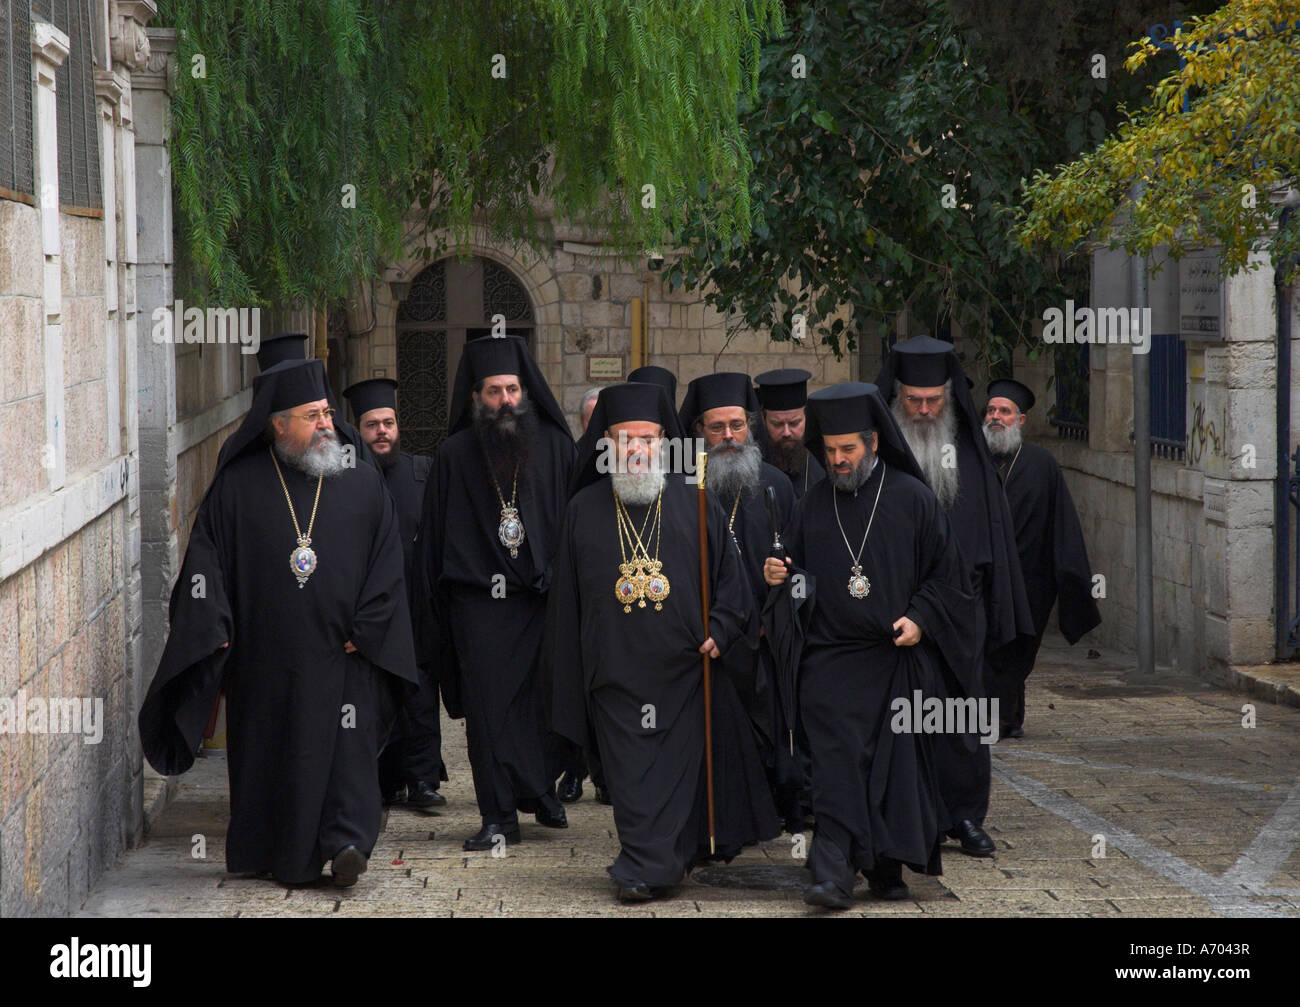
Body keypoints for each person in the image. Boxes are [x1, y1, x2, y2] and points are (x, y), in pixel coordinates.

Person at [139, 359, 419, 888]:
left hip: (345, 654)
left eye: (327, 413)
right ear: (277, 423)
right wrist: (213, 624)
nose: (326, 425)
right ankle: (278, 850)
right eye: (311, 416)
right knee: (276, 758)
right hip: (266, 661)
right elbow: (206, 565)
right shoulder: (238, 485)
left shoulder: (359, 478)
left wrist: (371, 625)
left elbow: (388, 559)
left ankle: (346, 844)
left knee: (346, 754)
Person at [548, 382, 780, 902]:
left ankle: (656, 863)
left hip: (683, 671)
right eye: (624, 439)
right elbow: (565, 604)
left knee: (675, 777)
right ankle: (645, 861)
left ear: (663, 442)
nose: (636, 450)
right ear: (605, 443)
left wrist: (720, 629)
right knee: (632, 779)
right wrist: (573, 669)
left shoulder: (694, 501)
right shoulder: (583, 509)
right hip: (615, 674)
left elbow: (730, 579)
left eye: (647, 439)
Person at [763, 382, 974, 908]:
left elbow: (948, 579)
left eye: (847, 450)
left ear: (874, 443)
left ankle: (884, 865)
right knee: (835, 770)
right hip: (831, 662)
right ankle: (833, 874)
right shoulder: (812, 505)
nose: (837, 460)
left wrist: (921, 619)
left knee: (890, 770)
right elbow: (798, 575)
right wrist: (780, 574)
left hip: (894, 658)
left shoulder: (913, 498)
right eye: (830, 451)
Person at [875, 335, 1035, 857]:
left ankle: (963, 817)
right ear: (897, 396)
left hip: (960, 614)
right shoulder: (879, 450)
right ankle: (902, 818)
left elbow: (990, 540)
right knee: (894, 719)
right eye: (913, 401)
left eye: (933, 401)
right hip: (891, 613)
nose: (923, 411)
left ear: (949, 396)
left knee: (961, 720)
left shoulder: (968, 451)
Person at [420, 335, 575, 850]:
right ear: (476, 397)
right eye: (494, 391)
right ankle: (498, 816)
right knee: (489, 715)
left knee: (543, 707)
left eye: (512, 389)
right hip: (480, 607)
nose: (505, 400)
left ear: (525, 390)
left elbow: (572, 526)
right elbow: (437, 541)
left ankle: (540, 791)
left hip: (542, 599)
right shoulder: (454, 455)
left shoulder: (554, 447)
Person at [679, 373, 801, 830]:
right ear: (698, 432)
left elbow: (800, 562)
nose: (728, 437)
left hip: (767, 638)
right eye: (716, 428)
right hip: (709, 639)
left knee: (772, 731)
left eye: (736, 425)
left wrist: (785, 581)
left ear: (749, 426)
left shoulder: (775, 485)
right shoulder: (683, 487)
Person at [342, 377, 447, 810]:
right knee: (376, 694)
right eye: (372, 425)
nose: (382, 431)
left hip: (417, 605)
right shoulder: (348, 480)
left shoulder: (422, 472)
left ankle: (423, 780)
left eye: (389, 423)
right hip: (371, 609)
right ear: (359, 431)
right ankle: (384, 782)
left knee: (420, 694)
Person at [982, 379, 1101, 736]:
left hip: (1030, 579)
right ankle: (999, 719)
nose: (995, 417)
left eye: (1004, 411)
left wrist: (1069, 577)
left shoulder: (1041, 463)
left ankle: (1009, 717)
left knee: (1017, 652)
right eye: (990, 410)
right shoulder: (972, 459)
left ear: (1021, 420)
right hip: (983, 577)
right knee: (987, 650)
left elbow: (1062, 522)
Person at [754, 368, 825, 498]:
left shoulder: (820, 470)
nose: (786, 433)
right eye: (777, 424)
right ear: (764, 420)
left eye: (794, 423)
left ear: (806, 418)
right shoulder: (753, 469)